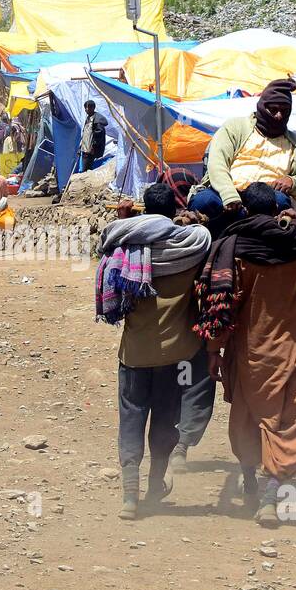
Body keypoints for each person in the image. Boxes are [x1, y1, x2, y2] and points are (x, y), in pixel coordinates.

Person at [195, 182, 296, 526]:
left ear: (245, 209)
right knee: (287, 420)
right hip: (290, 345)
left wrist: (213, 350)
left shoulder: (234, 248)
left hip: (248, 349)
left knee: (247, 416)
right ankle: (270, 495)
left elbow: (222, 305)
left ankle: (250, 479)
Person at [96, 182, 213, 518]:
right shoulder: (191, 248)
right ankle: (154, 485)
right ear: (173, 210)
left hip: (134, 354)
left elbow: (107, 247)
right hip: (177, 354)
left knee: (131, 419)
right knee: (165, 420)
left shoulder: (121, 251)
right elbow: (205, 234)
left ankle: (130, 496)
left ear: (143, 208)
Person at [195, 78, 296, 215]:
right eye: (273, 110)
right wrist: (229, 194)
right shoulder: (235, 128)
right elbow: (217, 164)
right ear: (262, 106)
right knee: (203, 201)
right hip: (227, 193)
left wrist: (293, 183)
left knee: (281, 201)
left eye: (284, 111)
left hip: (269, 199)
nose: (279, 116)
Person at [79, 100, 108, 173]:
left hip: (90, 150)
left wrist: (94, 147)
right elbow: (85, 134)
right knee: (86, 168)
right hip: (85, 148)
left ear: (93, 108)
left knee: (86, 169)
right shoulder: (89, 118)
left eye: (88, 107)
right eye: (85, 107)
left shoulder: (97, 120)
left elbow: (99, 134)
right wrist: (80, 147)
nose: (86, 109)